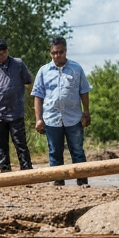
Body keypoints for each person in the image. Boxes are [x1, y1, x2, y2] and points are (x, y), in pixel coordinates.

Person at [32, 36, 91, 187]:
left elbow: (84, 91)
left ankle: (82, 182)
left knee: (77, 151)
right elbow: (38, 95)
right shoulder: (44, 71)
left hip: (73, 118)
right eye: (54, 53)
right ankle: (58, 183)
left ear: (65, 51)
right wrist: (39, 119)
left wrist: (86, 112)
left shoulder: (76, 69)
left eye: (60, 52)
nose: (57, 55)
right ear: (50, 53)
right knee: (54, 152)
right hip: (52, 118)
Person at [0, 39, 35, 172]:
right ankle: (5, 170)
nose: (1, 53)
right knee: (1, 144)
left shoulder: (18, 64)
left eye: (3, 51)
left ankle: (26, 169)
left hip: (15, 111)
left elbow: (28, 81)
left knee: (20, 142)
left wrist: (30, 102)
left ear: (7, 50)